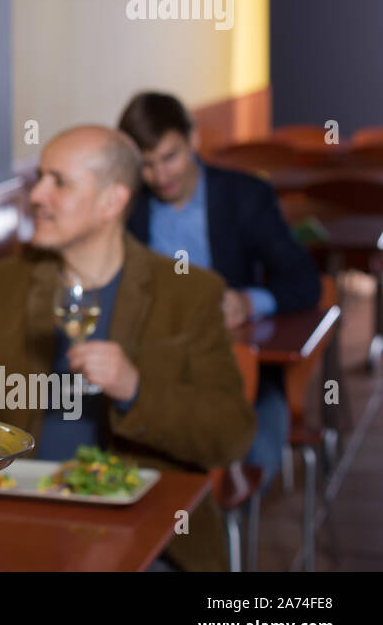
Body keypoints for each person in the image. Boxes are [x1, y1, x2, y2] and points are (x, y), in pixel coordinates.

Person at [0, 125, 256, 571]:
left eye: (59, 182)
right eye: (39, 177)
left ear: (112, 201)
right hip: (12, 523)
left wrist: (136, 388)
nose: (38, 195)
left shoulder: (189, 294)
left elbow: (230, 435)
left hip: (147, 534)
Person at [118, 91, 321, 492]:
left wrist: (248, 302)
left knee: (246, 468)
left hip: (238, 369)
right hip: (151, 373)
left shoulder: (245, 196)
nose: (161, 176)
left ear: (193, 140)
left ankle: (212, 527)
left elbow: (305, 282)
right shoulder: (126, 208)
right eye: (147, 165)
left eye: (170, 156)